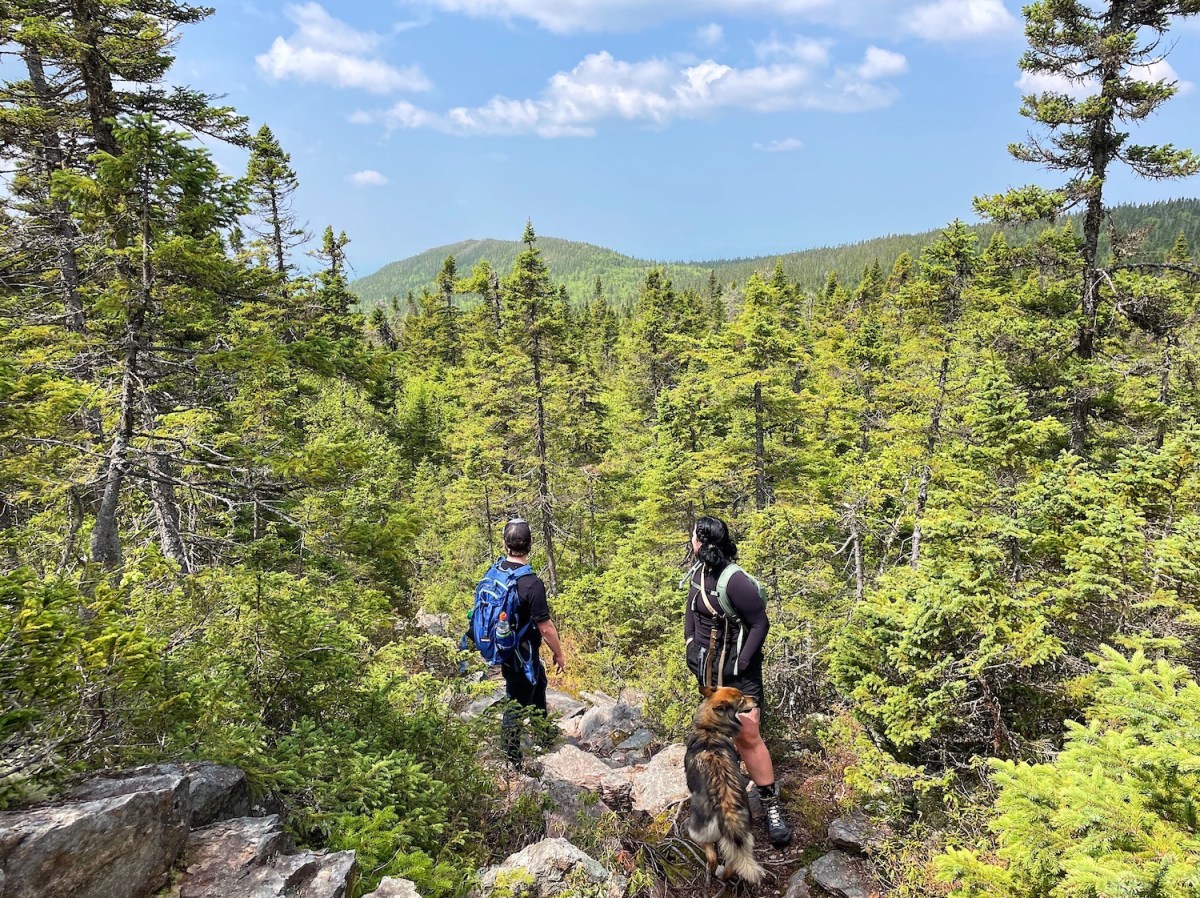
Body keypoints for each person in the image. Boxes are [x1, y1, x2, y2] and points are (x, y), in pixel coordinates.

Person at [684, 515, 791, 848]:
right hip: (709, 671)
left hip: (738, 675)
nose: (691, 541)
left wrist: (742, 663)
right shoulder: (699, 573)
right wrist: (689, 644)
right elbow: (691, 612)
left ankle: (770, 805)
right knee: (714, 734)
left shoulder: (735, 582)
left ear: (700, 542)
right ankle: (723, 799)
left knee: (747, 736)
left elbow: (760, 623)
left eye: (693, 537)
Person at [494, 518, 566, 768]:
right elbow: (545, 627)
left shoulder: (497, 572)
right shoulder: (531, 583)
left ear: (505, 545)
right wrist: (559, 654)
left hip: (507, 647)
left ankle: (543, 732)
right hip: (521, 652)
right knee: (515, 701)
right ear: (530, 545)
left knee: (539, 679)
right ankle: (511, 758)